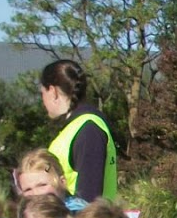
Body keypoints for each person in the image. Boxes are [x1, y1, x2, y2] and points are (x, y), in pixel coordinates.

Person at [40, 59, 118, 202]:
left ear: (53, 91)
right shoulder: (75, 127)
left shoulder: (88, 129)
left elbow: (89, 198)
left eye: (42, 93)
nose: (42, 101)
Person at [17, 148, 87, 211]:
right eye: (28, 190)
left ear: (62, 182)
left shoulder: (77, 215)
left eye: (42, 185)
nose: (35, 193)